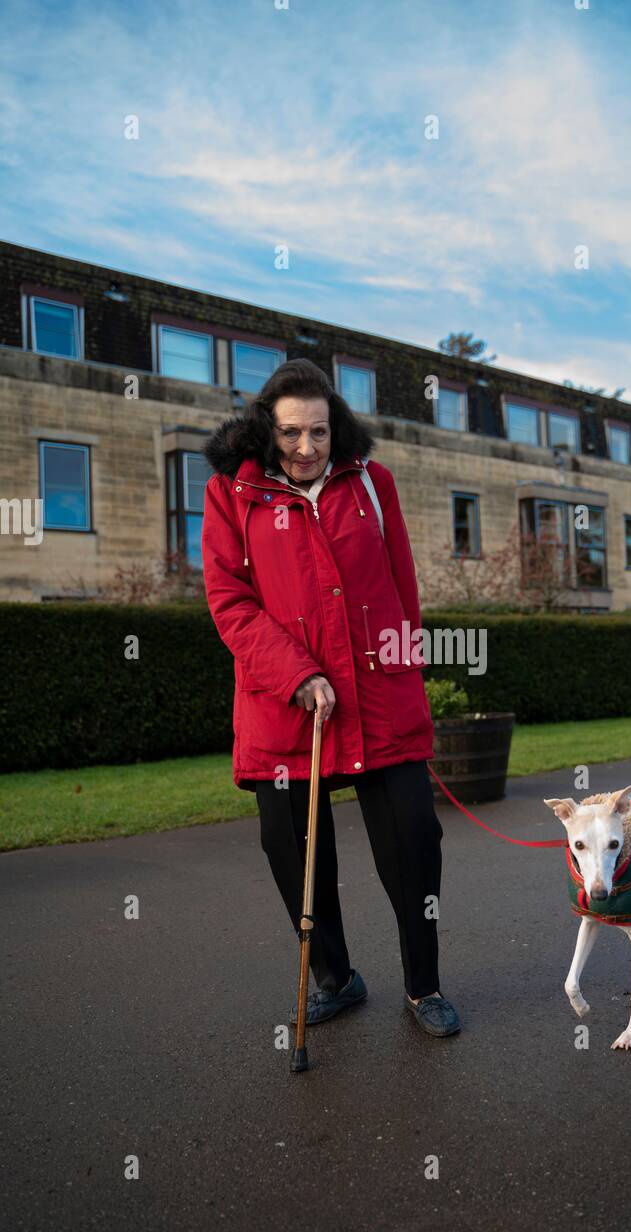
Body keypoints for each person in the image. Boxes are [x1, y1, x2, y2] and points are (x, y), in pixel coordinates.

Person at [201, 358, 460, 1038]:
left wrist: (408, 685)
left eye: (318, 431)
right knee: (294, 852)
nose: (306, 449)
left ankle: (423, 986)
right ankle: (336, 980)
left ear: (334, 426)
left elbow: (403, 593)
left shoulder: (373, 484)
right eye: (290, 433)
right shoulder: (231, 492)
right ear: (266, 428)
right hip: (284, 711)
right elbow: (230, 602)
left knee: (414, 842)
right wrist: (296, 674)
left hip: (380, 706)